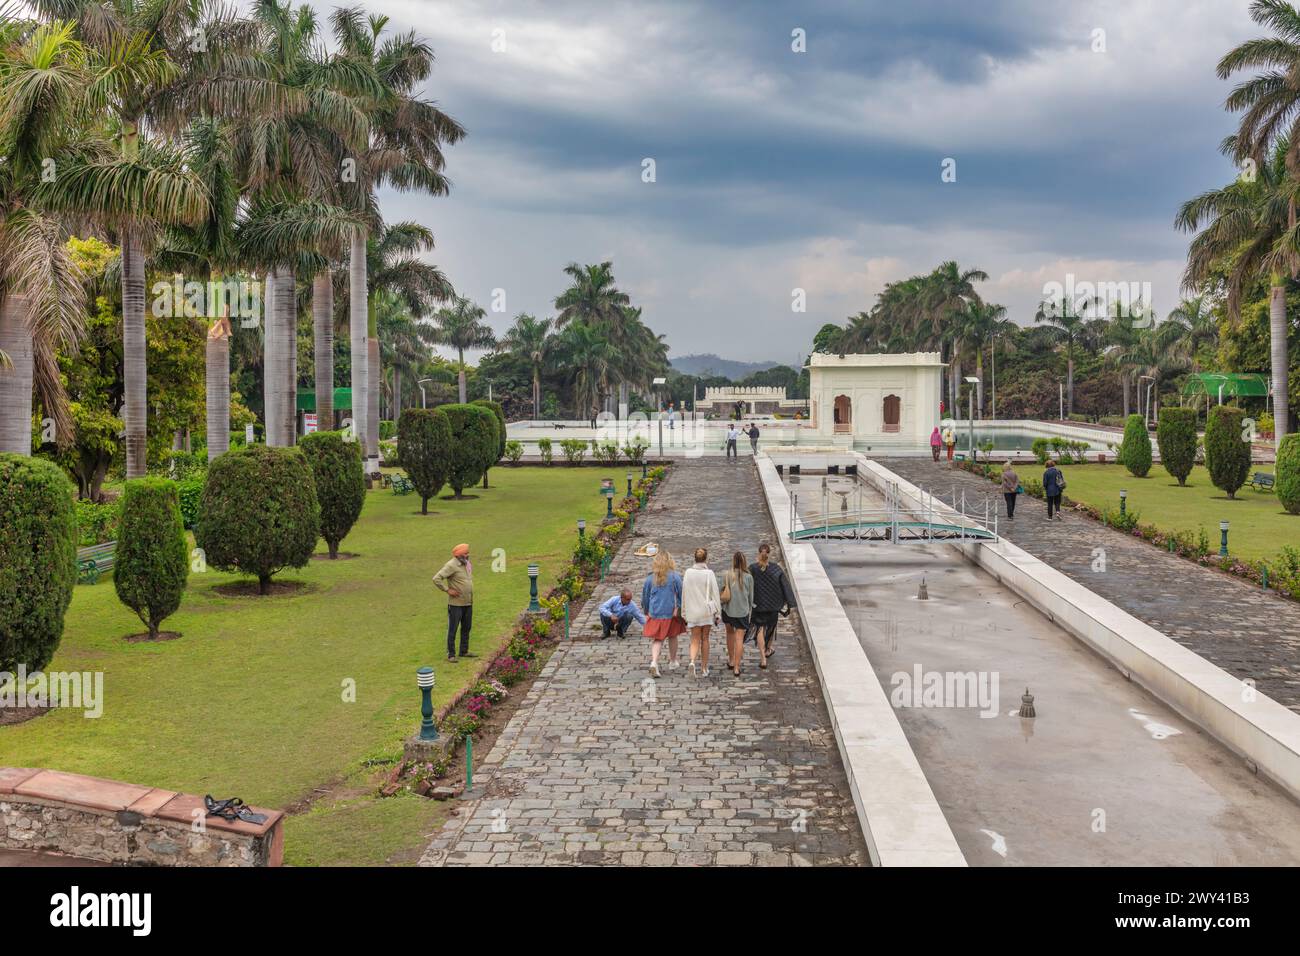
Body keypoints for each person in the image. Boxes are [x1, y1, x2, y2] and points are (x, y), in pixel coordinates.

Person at [749, 542, 796, 667]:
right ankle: (768, 648)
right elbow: (785, 586)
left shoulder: (752, 568)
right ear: (769, 554)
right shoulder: (776, 569)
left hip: (758, 605)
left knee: (760, 629)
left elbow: (746, 584)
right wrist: (790, 604)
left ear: (759, 553)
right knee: (771, 628)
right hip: (773, 606)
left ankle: (763, 658)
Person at [641, 549, 685, 677]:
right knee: (673, 636)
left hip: (655, 613)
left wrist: (646, 611)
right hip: (671, 613)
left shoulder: (650, 579)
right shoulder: (675, 577)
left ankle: (654, 662)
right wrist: (681, 608)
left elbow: (645, 597)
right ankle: (672, 660)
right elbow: (682, 594)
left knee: (658, 639)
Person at [682, 547, 721, 676]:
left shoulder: (688, 573)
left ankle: (692, 661)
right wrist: (718, 613)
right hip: (706, 612)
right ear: (706, 558)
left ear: (695, 558)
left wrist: (684, 612)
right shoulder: (709, 573)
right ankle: (704, 668)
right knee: (705, 639)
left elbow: (684, 594)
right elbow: (715, 594)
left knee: (694, 639)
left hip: (693, 611)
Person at [433, 543, 475, 662]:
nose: (468, 555)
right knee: (453, 629)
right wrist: (447, 590)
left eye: (468, 553)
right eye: (465, 553)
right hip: (456, 604)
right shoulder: (451, 565)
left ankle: (464, 651)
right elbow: (436, 578)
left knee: (466, 627)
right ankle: (451, 655)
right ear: (459, 555)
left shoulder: (466, 563)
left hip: (468, 602)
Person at [718, 551, 754, 676]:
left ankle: (731, 660)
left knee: (729, 634)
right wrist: (749, 610)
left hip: (728, 610)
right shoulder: (748, 577)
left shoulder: (727, 575)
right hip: (742, 612)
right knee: (739, 639)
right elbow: (751, 598)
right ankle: (737, 667)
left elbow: (721, 593)